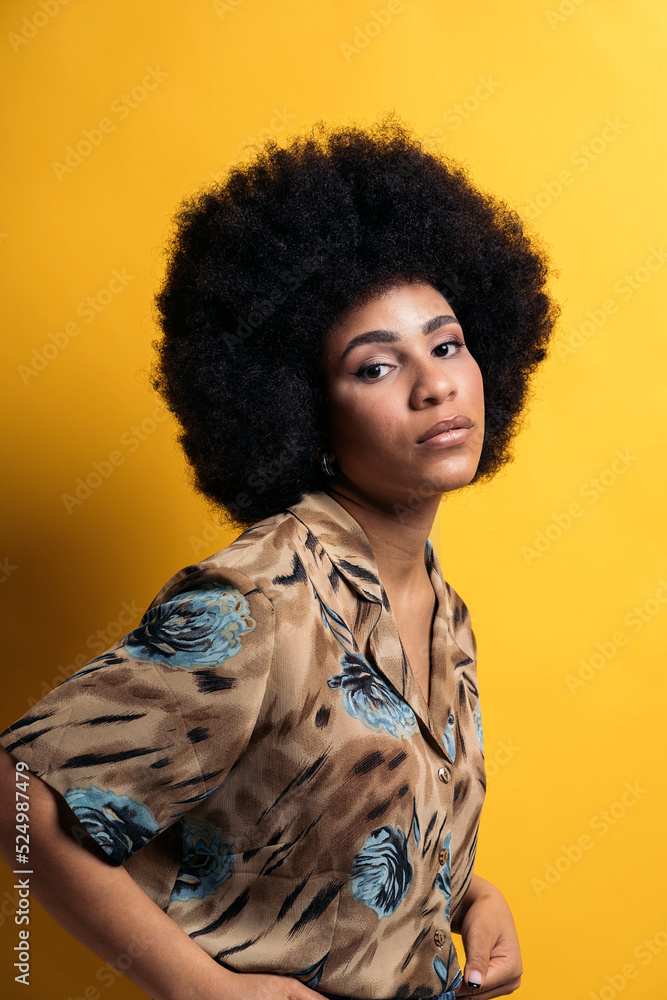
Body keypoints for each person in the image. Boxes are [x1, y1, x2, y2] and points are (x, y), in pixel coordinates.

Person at [0, 111, 559, 1000]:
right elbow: (18, 798)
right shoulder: (262, 598)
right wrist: (207, 990)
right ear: (305, 415)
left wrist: (466, 898)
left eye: (447, 344)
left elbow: (331, 830)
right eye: (375, 367)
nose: (435, 383)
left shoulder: (442, 614)